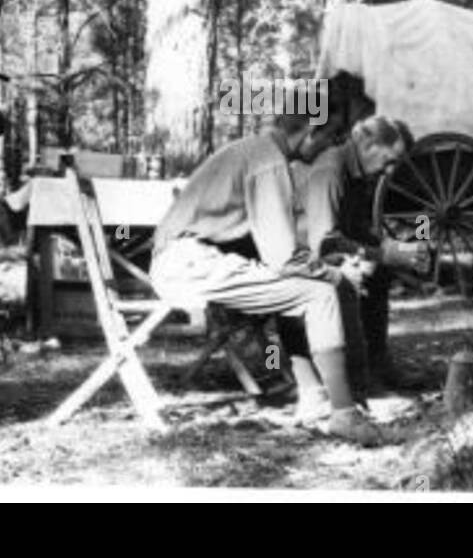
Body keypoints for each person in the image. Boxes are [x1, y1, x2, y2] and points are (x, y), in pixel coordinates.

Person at [150, 112, 383, 445]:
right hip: (190, 266)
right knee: (319, 294)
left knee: (301, 287)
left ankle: (315, 397)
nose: (329, 149)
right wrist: (336, 273)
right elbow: (284, 257)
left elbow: (272, 247)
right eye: (328, 139)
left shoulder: (254, 149)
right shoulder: (269, 161)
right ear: (310, 132)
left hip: (189, 260)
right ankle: (344, 414)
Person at [295, 116, 425, 399]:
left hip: (318, 250)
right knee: (357, 277)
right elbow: (325, 243)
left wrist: (396, 250)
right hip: (299, 257)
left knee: (380, 272)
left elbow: (355, 230)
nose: (389, 171)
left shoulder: (356, 172)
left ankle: (378, 364)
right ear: (369, 146)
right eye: (388, 161)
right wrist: (383, 253)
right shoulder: (331, 171)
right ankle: (355, 377)